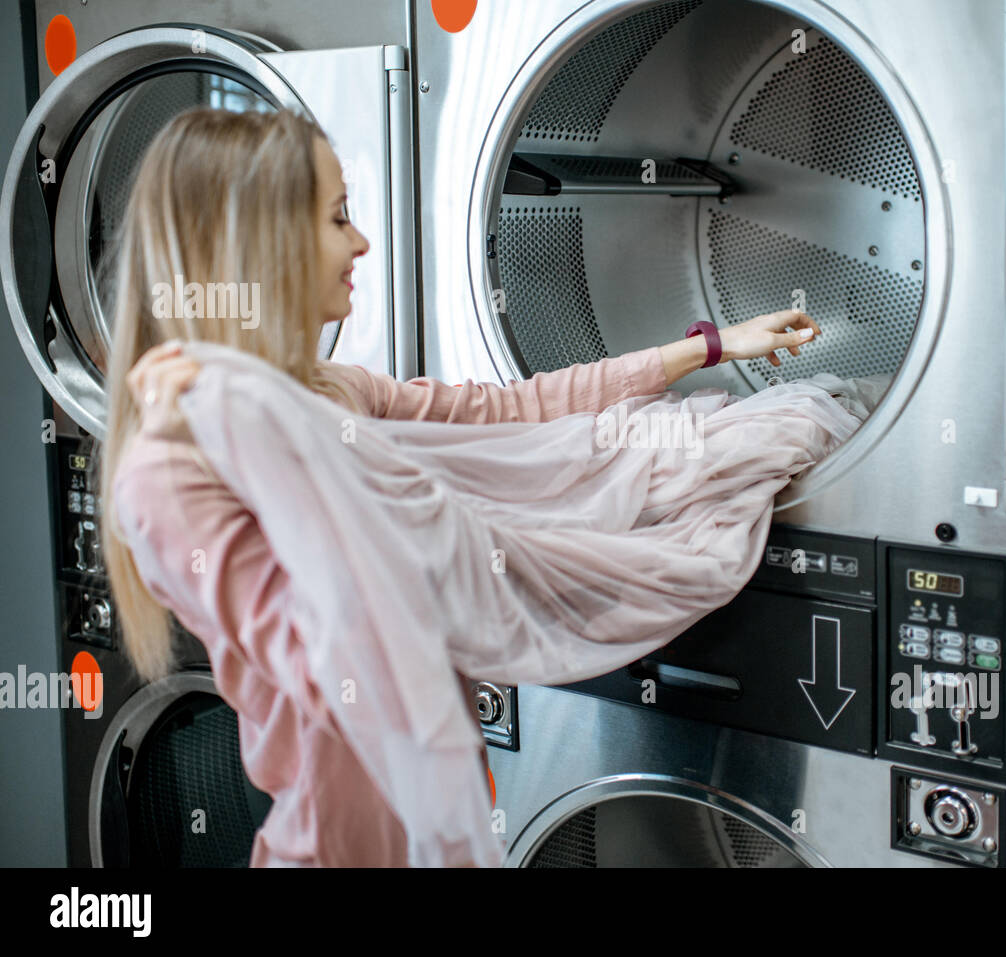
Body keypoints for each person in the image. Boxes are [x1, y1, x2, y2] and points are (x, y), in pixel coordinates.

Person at [101, 106, 825, 867]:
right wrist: (248, 412)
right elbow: (341, 662)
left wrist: (710, 346)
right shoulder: (172, 471)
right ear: (259, 239)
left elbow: (513, 411)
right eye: (337, 217)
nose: (362, 242)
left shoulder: (327, 395)